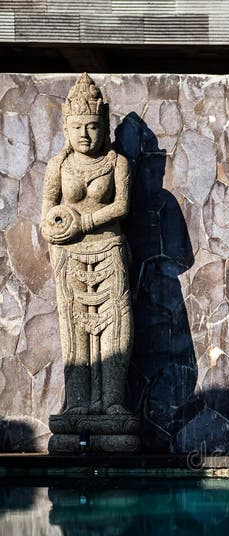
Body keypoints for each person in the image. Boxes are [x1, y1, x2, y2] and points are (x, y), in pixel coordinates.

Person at [41, 73, 133, 422]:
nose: (85, 134)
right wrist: (60, 226)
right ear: (67, 128)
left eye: (93, 126)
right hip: (69, 255)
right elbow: (46, 214)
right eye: (78, 127)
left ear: (104, 127)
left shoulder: (115, 163)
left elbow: (122, 205)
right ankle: (77, 400)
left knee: (115, 327)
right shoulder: (59, 166)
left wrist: (86, 223)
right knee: (74, 326)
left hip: (109, 249)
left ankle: (112, 402)